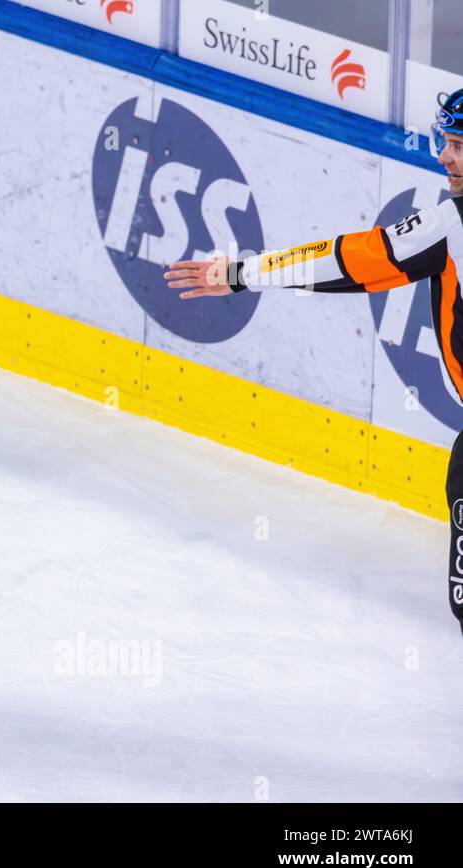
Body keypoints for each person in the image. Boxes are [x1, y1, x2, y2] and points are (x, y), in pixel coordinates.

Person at [165, 87, 463, 635]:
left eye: (459, 146)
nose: (445, 157)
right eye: (446, 142)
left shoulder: (449, 227)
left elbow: (344, 262)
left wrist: (241, 274)